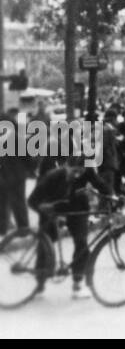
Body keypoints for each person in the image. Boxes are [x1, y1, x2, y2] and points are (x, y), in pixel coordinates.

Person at [28, 159, 112, 300]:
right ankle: (40, 282)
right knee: (45, 244)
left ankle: (77, 284)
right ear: (66, 166)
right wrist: (47, 211)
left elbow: (101, 184)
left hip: (76, 207)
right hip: (52, 209)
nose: (77, 175)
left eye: (81, 171)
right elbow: (32, 200)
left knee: (82, 243)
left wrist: (113, 196)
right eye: (74, 171)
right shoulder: (52, 176)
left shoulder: (87, 170)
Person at [0, 107, 31, 234]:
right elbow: (28, 158)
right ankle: (23, 229)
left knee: (3, 204)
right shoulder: (16, 138)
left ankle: (3, 229)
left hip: (5, 176)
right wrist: (28, 170)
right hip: (17, 177)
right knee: (18, 203)